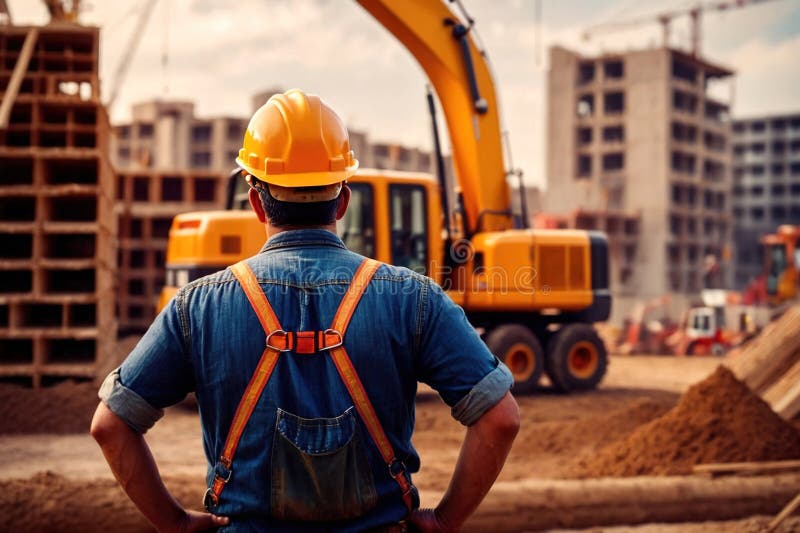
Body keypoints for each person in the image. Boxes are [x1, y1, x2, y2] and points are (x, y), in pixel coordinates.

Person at [91, 89, 519, 532]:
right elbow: (500, 417)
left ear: (256, 203)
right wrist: (446, 520)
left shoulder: (197, 306)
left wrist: (175, 522)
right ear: (343, 201)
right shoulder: (414, 298)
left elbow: (110, 425)